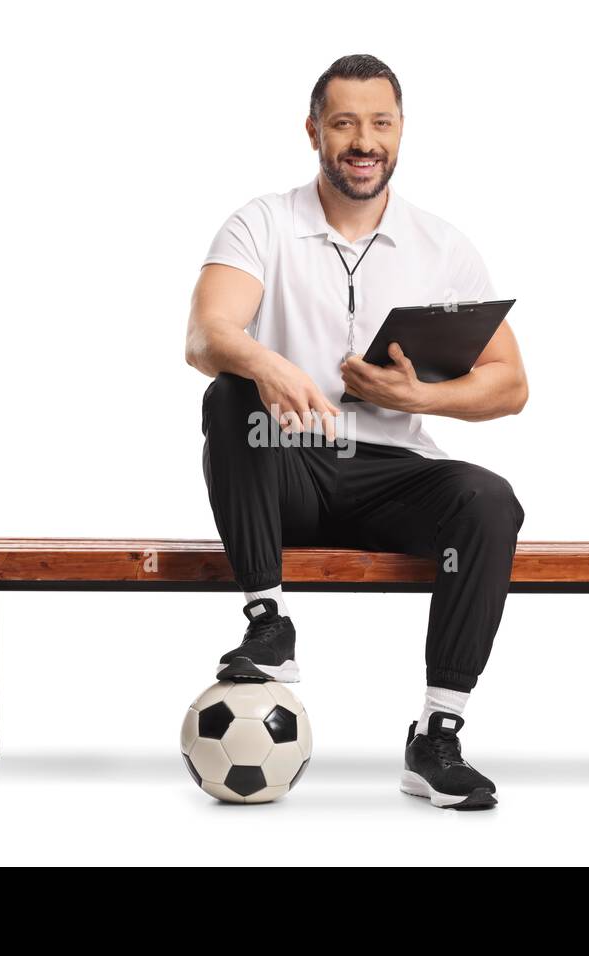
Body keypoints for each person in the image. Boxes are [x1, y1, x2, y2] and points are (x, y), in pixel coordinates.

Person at [184, 54, 529, 810]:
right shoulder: (263, 223)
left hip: (393, 477)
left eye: (380, 123)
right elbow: (206, 334)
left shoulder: (441, 245)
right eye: (344, 123)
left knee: (488, 500)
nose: (363, 140)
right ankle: (269, 628)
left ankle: (438, 735)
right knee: (230, 392)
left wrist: (421, 397)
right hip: (288, 468)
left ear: (400, 132)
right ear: (314, 132)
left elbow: (511, 384)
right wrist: (265, 363)